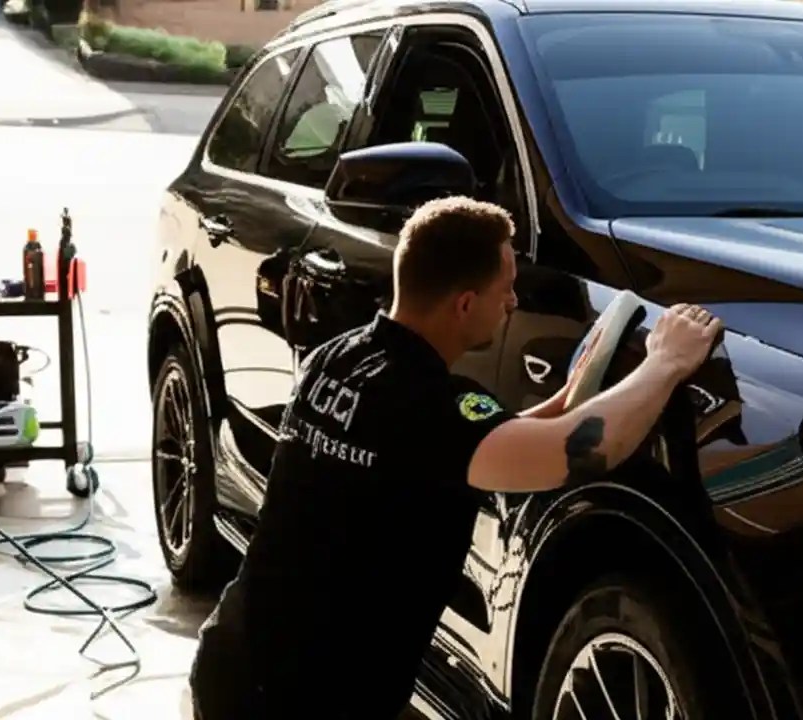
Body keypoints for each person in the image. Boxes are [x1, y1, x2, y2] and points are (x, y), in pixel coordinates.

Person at [189, 195, 723, 719]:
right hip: (300, 700)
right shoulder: (432, 407)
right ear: (465, 304)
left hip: (234, 662)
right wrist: (665, 363)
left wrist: (569, 398)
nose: (512, 302)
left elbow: (475, 445)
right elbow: (578, 452)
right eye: (505, 288)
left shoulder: (341, 359)